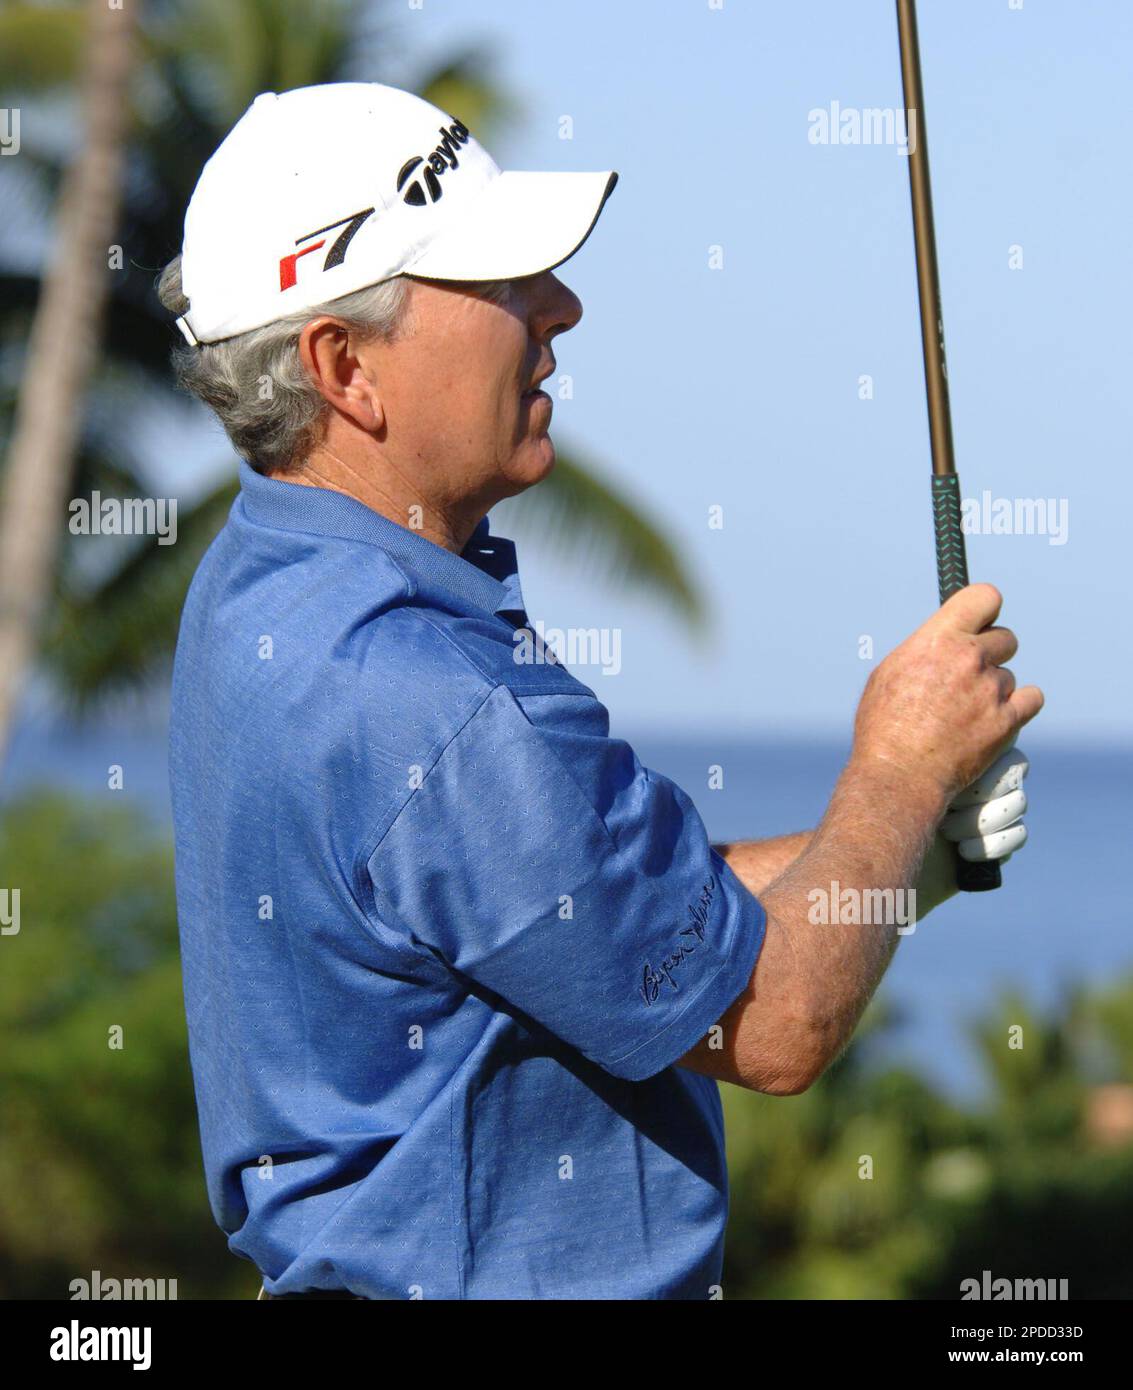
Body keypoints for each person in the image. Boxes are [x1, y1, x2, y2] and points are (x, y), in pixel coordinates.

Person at [164, 81, 1042, 1301]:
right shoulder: (427, 694)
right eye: (501, 285)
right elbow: (775, 1022)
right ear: (345, 367)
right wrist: (894, 772)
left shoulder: (259, 586)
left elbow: (601, 908)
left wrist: (913, 856)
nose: (561, 308)